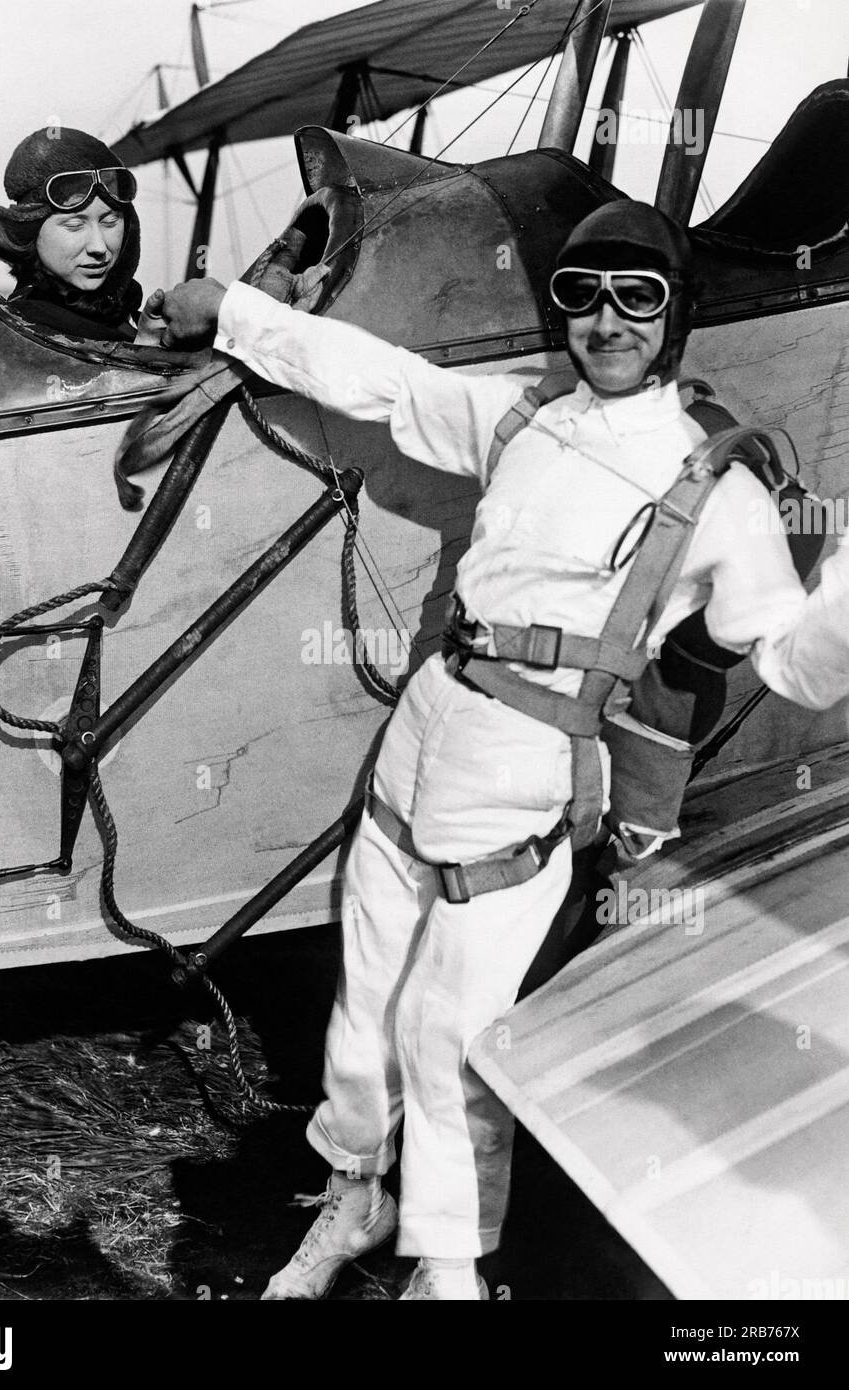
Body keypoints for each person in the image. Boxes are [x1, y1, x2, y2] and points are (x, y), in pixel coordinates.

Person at [156, 200, 849, 1300]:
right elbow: (378, 377)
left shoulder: (716, 487)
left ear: (677, 316)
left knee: (449, 1028)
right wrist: (234, 311)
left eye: (639, 296)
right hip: (424, 729)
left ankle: (448, 1264)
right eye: (581, 295)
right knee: (369, 987)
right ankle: (354, 1190)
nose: (606, 321)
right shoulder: (520, 416)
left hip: (530, 763)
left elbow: (789, 662)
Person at [0, 127, 145, 342]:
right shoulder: (19, 335)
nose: (99, 247)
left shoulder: (133, 317)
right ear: (31, 230)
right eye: (74, 225)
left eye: (110, 221)